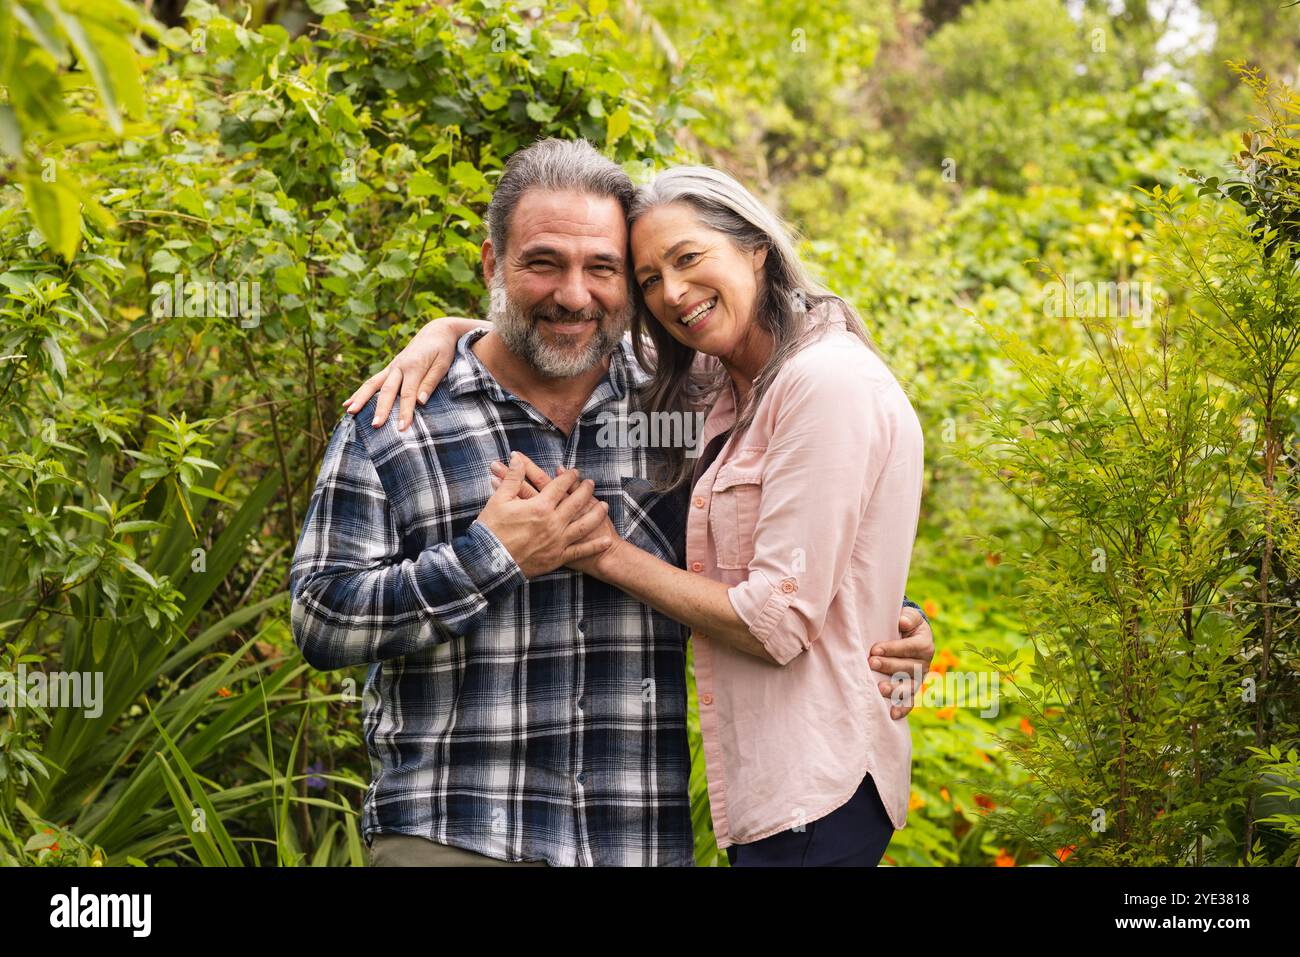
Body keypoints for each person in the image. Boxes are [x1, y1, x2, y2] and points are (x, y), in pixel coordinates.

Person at [336, 140, 933, 866]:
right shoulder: (401, 417)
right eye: (543, 262)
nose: (575, 294)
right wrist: (487, 557)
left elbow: (780, 551)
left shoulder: (680, 403)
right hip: (456, 832)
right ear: (493, 266)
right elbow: (322, 616)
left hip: (632, 838)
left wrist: (883, 620)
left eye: (606, 270)